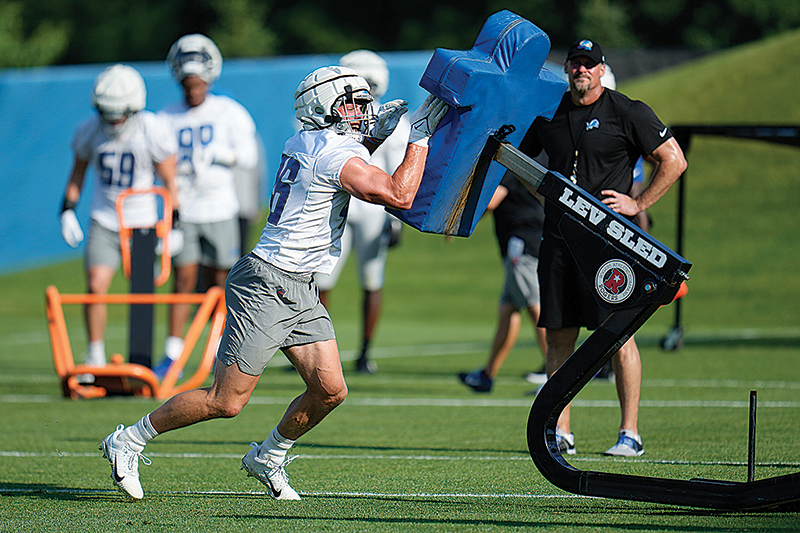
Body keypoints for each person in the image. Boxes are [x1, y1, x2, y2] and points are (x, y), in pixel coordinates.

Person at [100, 65, 449, 500]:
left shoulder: (305, 140)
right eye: (353, 103)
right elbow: (398, 194)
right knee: (225, 402)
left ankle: (268, 455)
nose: (362, 111)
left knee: (329, 390)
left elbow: (343, 156)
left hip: (298, 282)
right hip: (268, 282)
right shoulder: (331, 151)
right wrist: (418, 135)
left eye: (363, 103)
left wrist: (375, 137)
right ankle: (128, 440)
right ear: (325, 106)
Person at [520, 39, 687, 457]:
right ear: (567, 71)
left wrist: (639, 202)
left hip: (610, 245)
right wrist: (544, 195)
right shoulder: (550, 113)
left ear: (601, 71)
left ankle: (629, 433)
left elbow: (674, 160)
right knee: (558, 336)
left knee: (618, 337)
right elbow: (520, 161)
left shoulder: (627, 111)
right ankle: (561, 432)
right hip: (559, 239)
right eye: (575, 64)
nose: (581, 71)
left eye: (588, 65)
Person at [59, 64, 178, 380]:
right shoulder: (89, 130)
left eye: (119, 114)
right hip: (105, 218)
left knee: (142, 296)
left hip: (142, 221)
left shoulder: (150, 128)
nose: (113, 121)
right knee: (96, 285)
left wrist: (173, 226)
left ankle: (140, 362)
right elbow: (78, 173)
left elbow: (170, 181)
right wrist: (67, 209)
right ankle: (95, 355)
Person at [153, 34, 260, 378]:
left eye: (197, 82)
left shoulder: (228, 111)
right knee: (182, 280)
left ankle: (218, 348)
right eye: (187, 82)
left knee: (221, 280)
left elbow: (249, 156)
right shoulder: (165, 117)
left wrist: (220, 156)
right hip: (183, 209)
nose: (192, 89)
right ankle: (174, 351)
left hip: (219, 207)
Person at [314, 49, 410, 374]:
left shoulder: (391, 118)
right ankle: (320, 350)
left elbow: (398, 169)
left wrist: (396, 220)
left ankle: (365, 352)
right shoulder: (337, 117)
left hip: (373, 206)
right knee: (321, 278)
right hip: (342, 201)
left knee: (371, 277)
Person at [458, 172, 547, 392]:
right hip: (525, 241)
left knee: (536, 308)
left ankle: (558, 373)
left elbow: (491, 201)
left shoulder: (509, 166)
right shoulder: (528, 161)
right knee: (508, 309)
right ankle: (487, 374)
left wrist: (457, 219)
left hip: (523, 244)